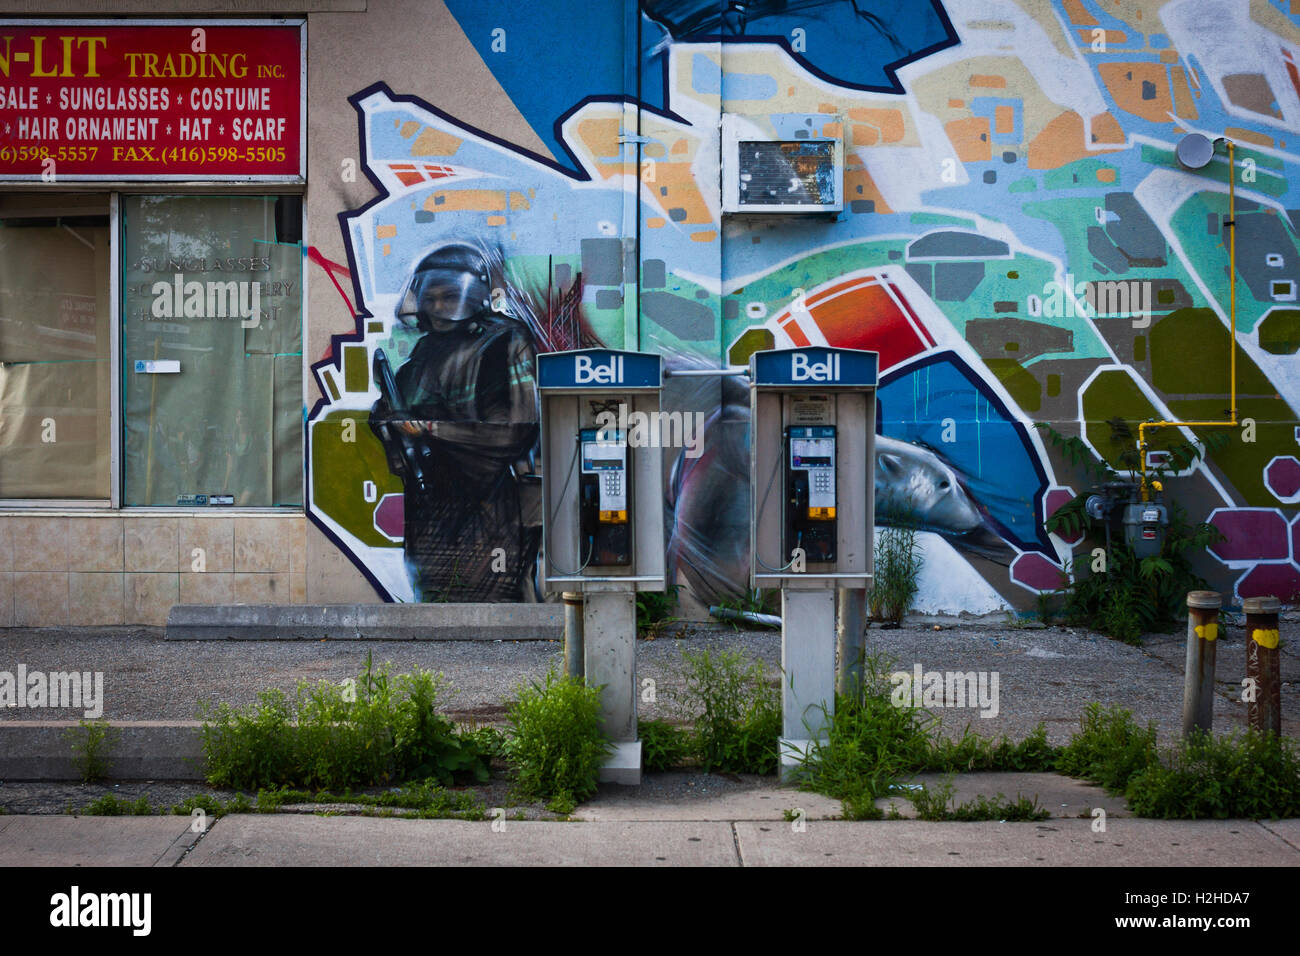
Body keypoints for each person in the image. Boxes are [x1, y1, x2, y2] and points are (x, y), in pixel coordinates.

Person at [370, 242, 541, 602]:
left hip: (491, 504)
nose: (437, 307)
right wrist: (387, 421)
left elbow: (515, 430)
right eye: (429, 298)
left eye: (449, 296)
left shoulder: (505, 341)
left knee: (495, 603)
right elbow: (397, 412)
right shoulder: (426, 350)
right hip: (431, 506)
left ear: (476, 294)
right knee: (434, 600)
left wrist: (429, 429)